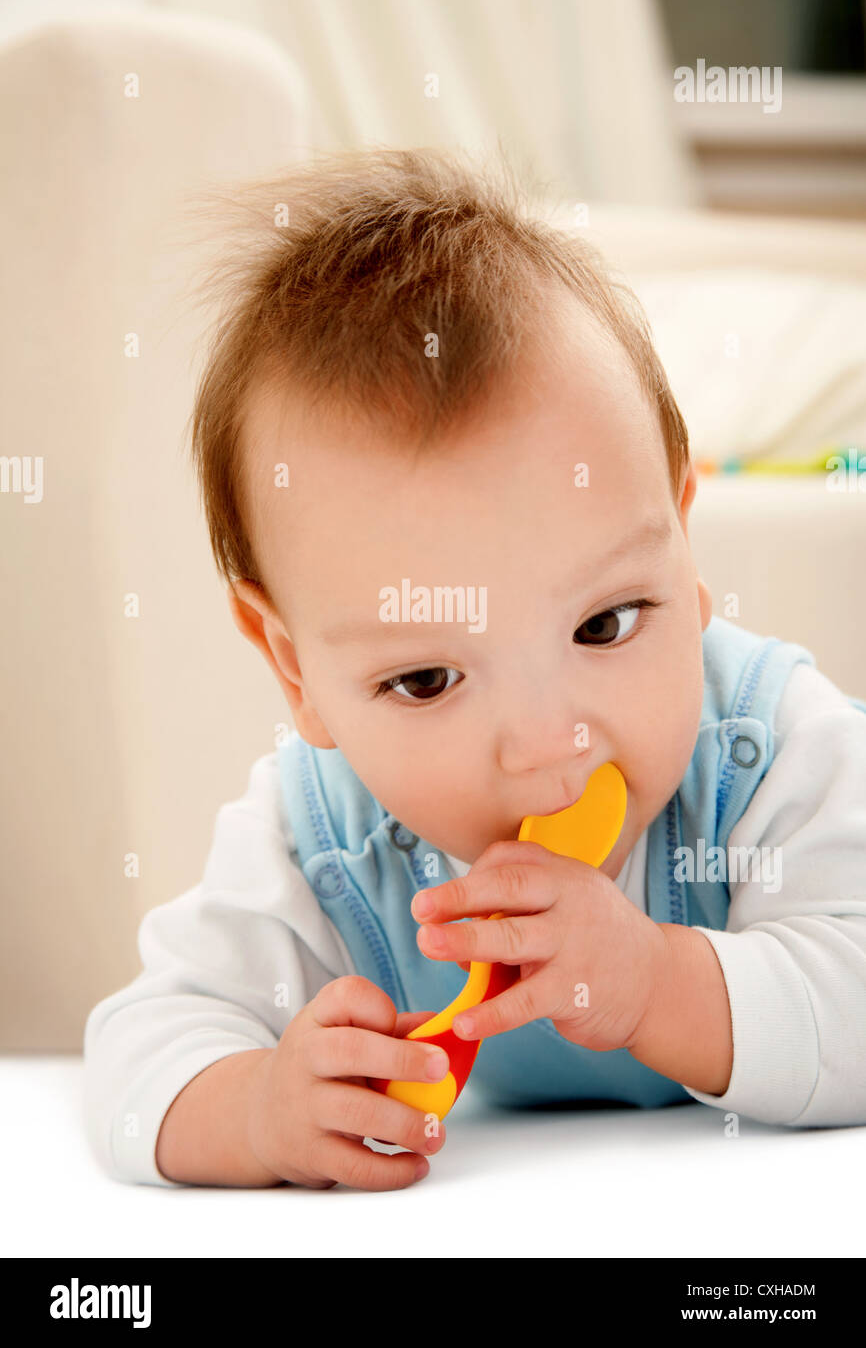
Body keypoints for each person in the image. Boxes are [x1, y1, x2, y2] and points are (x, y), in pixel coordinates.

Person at [83, 145, 866, 1192]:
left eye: (603, 624)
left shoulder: (766, 756)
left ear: (682, 553)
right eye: (426, 680)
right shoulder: (328, 840)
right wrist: (260, 1106)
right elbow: (137, 1049)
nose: (552, 742)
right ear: (294, 669)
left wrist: (653, 983)